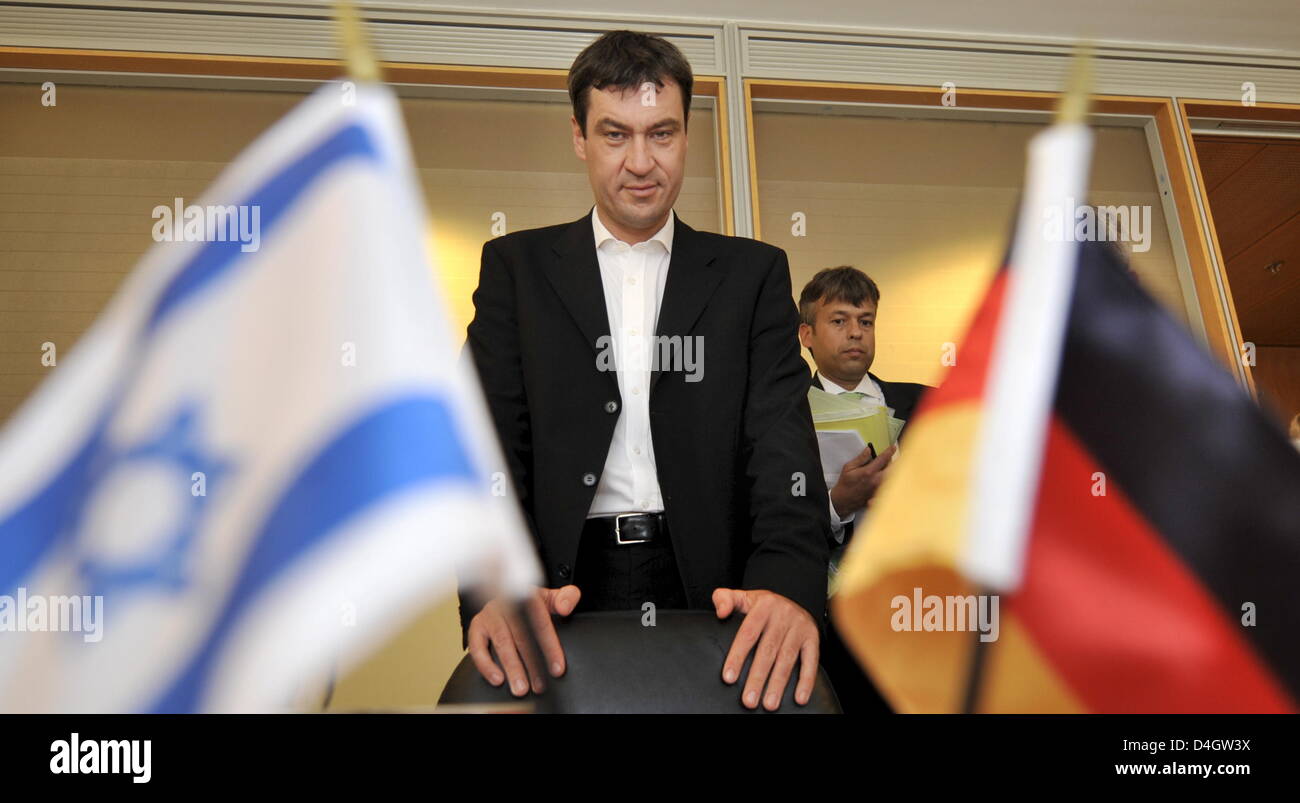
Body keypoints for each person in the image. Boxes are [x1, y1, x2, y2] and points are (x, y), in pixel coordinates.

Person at [460, 30, 830, 712]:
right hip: (556, 594)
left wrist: (786, 585)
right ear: (579, 136)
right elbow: (485, 452)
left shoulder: (752, 276)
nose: (640, 162)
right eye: (614, 134)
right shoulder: (517, 270)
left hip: (715, 588)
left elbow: (783, 455)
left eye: (661, 133)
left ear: (686, 135)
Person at [797, 265, 932, 712]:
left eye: (866, 321)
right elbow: (764, 521)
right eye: (838, 321)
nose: (855, 333)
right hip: (834, 625)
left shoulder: (929, 403)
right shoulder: (782, 420)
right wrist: (837, 504)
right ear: (807, 335)